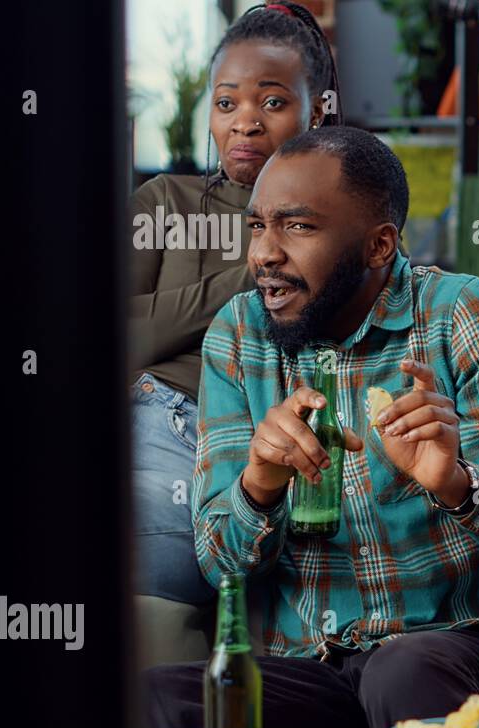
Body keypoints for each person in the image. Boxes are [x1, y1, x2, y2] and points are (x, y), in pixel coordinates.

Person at [144, 127, 479, 728]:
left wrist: (458, 484)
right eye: (256, 226)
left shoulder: (463, 314)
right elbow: (220, 567)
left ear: (379, 246)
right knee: (155, 700)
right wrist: (258, 488)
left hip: (450, 652)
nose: (264, 253)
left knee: (400, 671)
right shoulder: (239, 333)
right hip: (309, 669)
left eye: (296, 227)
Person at [130, 2, 340, 606]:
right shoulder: (167, 202)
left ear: (317, 109)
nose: (245, 123)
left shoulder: (345, 221)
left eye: (272, 102)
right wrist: (251, 270)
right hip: (160, 424)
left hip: (269, 446)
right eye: (227, 103)